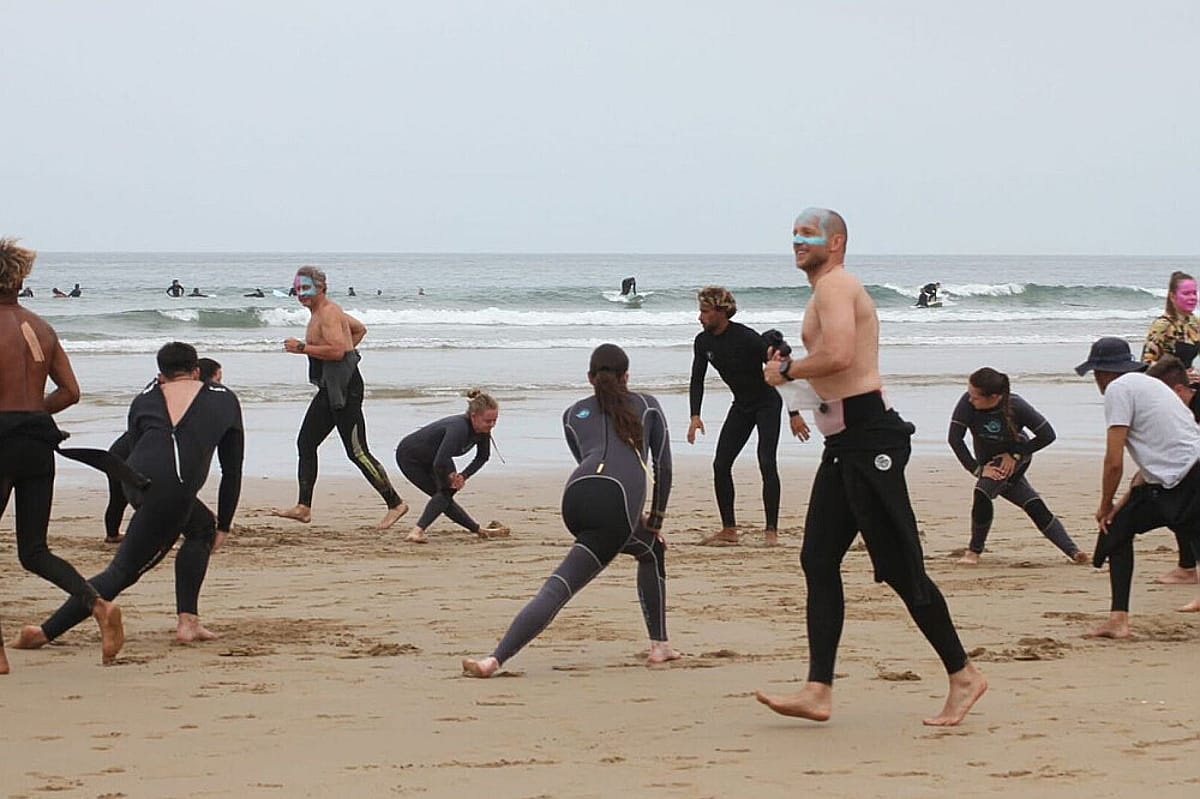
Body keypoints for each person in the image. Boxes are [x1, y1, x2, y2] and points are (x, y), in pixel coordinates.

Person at [756, 208, 986, 726]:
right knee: (817, 560)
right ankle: (818, 689)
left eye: (808, 233)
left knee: (903, 569)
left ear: (835, 241)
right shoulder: (825, 291)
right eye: (793, 233)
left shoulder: (837, 286)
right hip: (843, 444)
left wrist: (787, 369)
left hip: (869, 441)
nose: (797, 239)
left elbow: (838, 355)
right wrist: (789, 379)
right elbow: (834, 374)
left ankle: (963, 674)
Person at [13, 342, 244, 653]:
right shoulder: (226, 399)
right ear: (198, 371)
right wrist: (225, 525)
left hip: (132, 478)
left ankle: (189, 620)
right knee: (123, 572)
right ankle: (43, 633)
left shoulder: (145, 396)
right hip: (170, 489)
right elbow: (232, 469)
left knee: (200, 527)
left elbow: (136, 442)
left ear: (161, 374)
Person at [462, 344, 676, 677]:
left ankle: (660, 645)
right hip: (614, 505)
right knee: (560, 586)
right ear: (627, 376)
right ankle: (494, 660)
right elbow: (663, 466)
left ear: (590, 377)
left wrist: (639, 523)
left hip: (577, 496)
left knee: (651, 548)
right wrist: (656, 518)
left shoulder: (572, 413)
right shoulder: (648, 406)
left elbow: (588, 462)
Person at [0, 238, 125, 672]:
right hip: (38, 443)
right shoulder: (42, 327)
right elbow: (70, 393)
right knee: (33, 550)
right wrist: (32, 410)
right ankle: (97, 605)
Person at [1074, 337, 1200, 634]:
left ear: (1101, 373)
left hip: (1187, 479)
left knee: (1117, 531)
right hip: (1181, 475)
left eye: (1095, 374)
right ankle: (1118, 621)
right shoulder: (1149, 385)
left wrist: (1104, 504)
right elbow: (1150, 463)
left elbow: (1114, 461)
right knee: (1118, 526)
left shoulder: (1118, 389)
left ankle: (1119, 620)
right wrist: (1118, 506)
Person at [271, 266, 408, 530]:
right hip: (330, 388)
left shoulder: (329, 313)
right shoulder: (322, 313)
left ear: (321, 287)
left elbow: (335, 351)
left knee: (357, 452)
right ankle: (303, 507)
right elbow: (359, 329)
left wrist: (302, 348)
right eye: (298, 289)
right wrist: (346, 354)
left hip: (346, 390)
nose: (301, 294)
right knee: (306, 443)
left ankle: (395, 503)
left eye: (306, 288)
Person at [948, 367, 1087, 564]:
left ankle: (973, 552)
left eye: (975, 397)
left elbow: (1048, 435)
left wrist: (1015, 454)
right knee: (1031, 503)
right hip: (987, 462)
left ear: (994, 397)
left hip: (1015, 457)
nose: (969, 399)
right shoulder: (967, 403)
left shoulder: (1016, 405)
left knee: (983, 491)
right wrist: (977, 469)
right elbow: (954, 439)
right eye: (969, 393)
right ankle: (1073, 551)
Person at [687, 286, 790, 546]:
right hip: (742, 405)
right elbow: (697, 379)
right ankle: (729, 530)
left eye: (705, 311)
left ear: (721, 312)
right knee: (721, 464)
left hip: (767, 403)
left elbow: (778, 373)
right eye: (700, 311)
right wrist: (695, 415)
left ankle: (771, 532)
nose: (700, 317)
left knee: (766, 462)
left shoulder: (747, 338)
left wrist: (795, 413)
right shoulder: (703, 342)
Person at [103, 358, 223, 544]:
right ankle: (119, 535)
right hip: (126, 453)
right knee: (131, 499)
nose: (220, 385)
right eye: (218, 379)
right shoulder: (188, 402)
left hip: (123, 451)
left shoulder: (168, 395)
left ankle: (113, 534)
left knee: (123, 498)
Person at [1140, 271, 1200, 584]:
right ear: (1173, 295)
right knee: (1177, 482)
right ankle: (1186, 564)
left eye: (1196, 293)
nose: (1194, 298)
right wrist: (1176, 380)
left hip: (1192, 403)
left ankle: (1188, 565)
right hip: (1168, 405)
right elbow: (1146, 368)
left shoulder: (1195, 325)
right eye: (1188, 293)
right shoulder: (1161, 326)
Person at [395, 390, 506, 543]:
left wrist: (463, 476)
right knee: (444, 494)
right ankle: (417, 531)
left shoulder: (483, 431)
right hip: (410, 457)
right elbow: (440, 462)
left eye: (495, 420)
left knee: (445, 495)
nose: (492, 425)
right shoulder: (459, 428)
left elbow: (483, 457)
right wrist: (450, 480)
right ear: (474, 416)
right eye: (488, 421)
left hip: (437, 457)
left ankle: (478, 530)